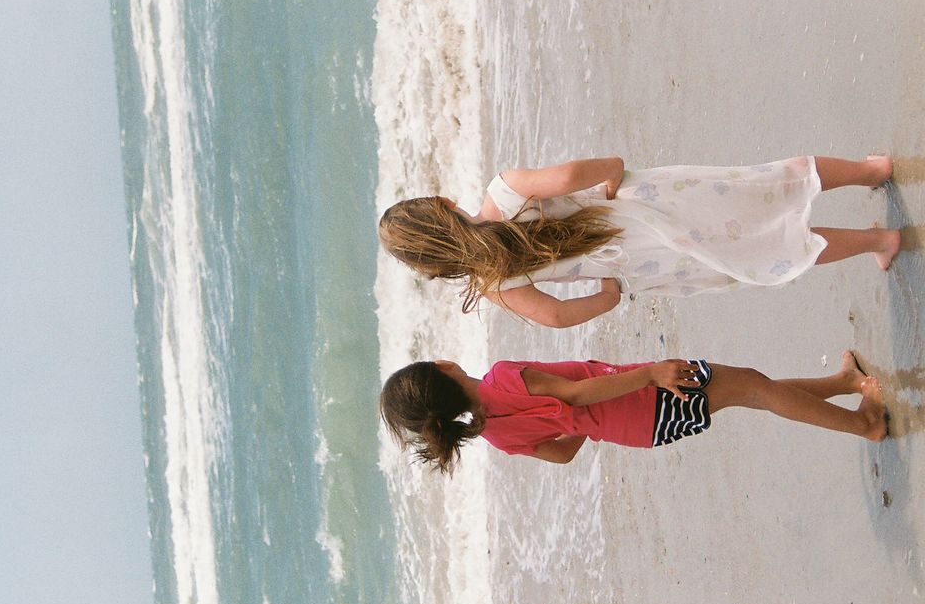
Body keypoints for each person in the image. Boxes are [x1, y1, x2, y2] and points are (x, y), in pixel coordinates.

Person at [378, 155, 901, 328]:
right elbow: (575, 175)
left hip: (645, 261)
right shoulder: (506, 189)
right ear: (443, 205)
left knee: (757, 250)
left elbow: (555, 317)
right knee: (759, 188)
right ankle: (871, 169)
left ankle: (879, 240)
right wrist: (612, 172)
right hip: (644, 204)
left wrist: (607, 296)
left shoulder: (496, 283)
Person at [380, 351, 888, 472]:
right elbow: (575, 396)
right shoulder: (501, 378)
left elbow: (561, 454)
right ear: (445, 369)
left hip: (640, 431)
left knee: (747, 391)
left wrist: (577, 425)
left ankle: (842, 383)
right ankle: (865, 424)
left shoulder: (492, 435)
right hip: (645, 395)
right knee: (752, 389)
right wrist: (649, 375)